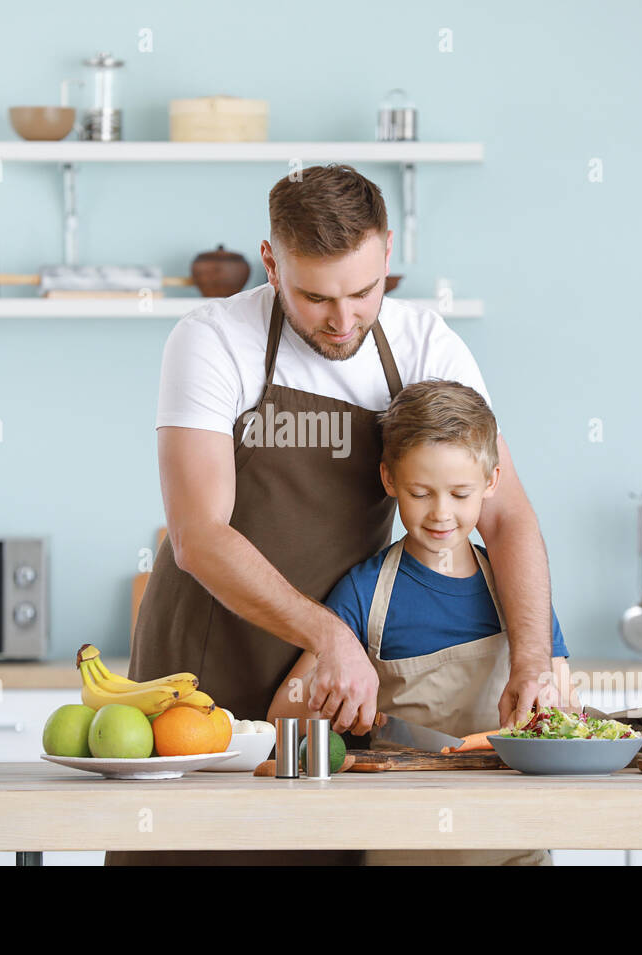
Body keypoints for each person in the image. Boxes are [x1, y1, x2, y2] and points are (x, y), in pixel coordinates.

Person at [106, 164, 560, 867]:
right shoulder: (211, 340)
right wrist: (331, 637)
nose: (343, 320)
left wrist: (531, 663)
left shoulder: (421, 346)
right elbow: (198, 535)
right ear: (270, 262)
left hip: (328, 688)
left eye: (364, 290)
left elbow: (506, 518)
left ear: (386, 251)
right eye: (315, 296)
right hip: (201, 671)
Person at [268, 380, 569, 865]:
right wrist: (333, 715)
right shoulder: (365, 592)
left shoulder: (521, 598)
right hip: (402, 847)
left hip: (513, 846)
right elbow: (283, 720)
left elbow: (568, 718)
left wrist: (553, 714)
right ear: (389, 480)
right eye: (421, 492)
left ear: (493, 483)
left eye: (460, 493)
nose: (441, 513)